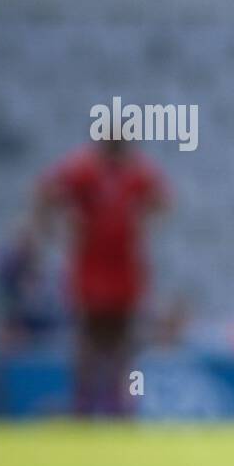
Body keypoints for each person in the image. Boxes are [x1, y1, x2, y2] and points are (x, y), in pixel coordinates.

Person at [36, 129, 168, 416]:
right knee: (89, 335)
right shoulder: (84, 170)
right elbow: (47, 190)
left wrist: (139, 223)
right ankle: (83, 404)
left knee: (123, 338)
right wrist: (55, 228)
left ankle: (120, 405)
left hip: (124, 266)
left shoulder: (136, 172)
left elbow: (162, 201)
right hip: (91, 265)